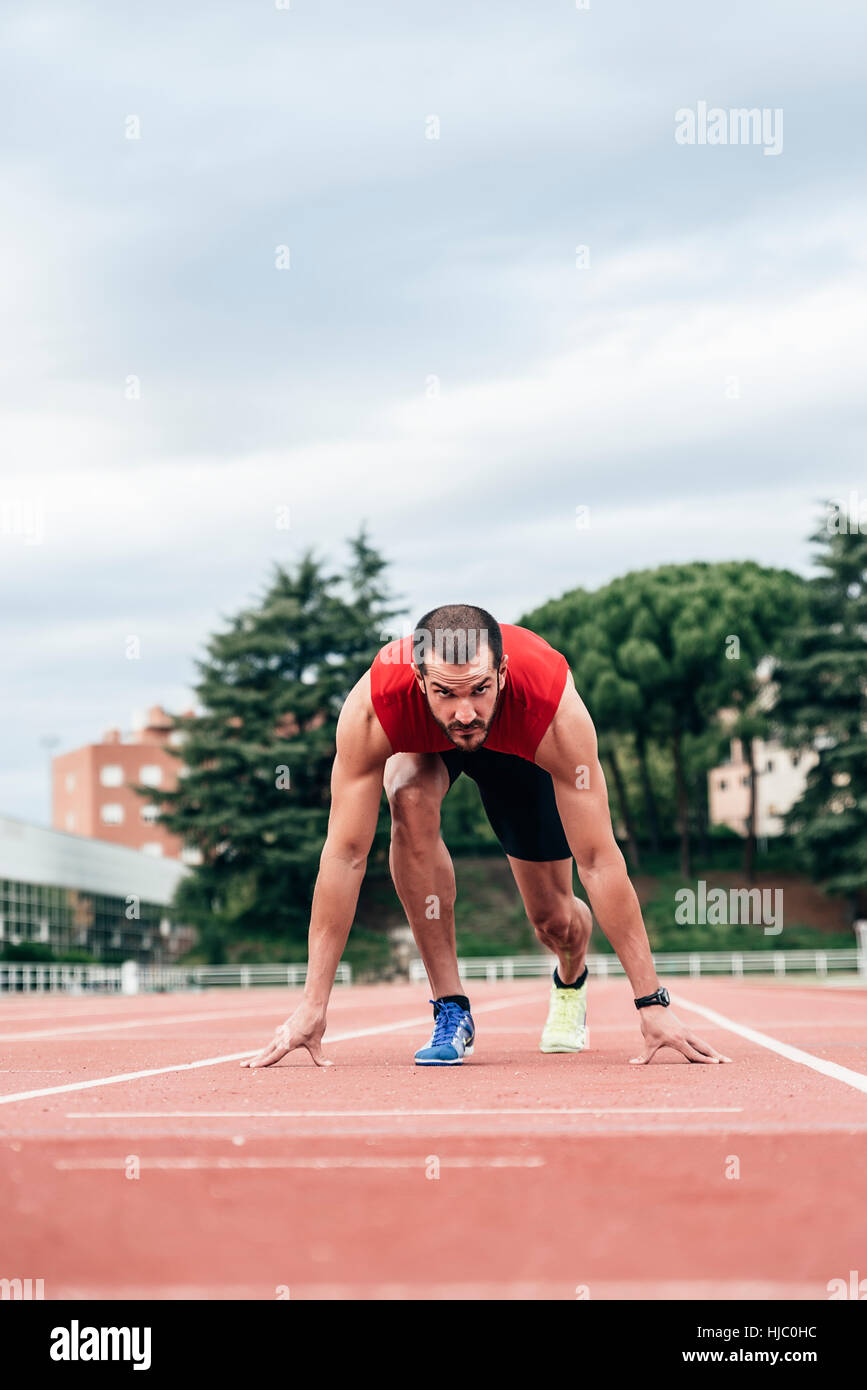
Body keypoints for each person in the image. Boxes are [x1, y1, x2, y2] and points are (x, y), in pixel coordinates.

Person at [242, 604, 730, 1069]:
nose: (465, 712)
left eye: (477, 689)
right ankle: (451, 1009)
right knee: (407, 796)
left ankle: (569, 977)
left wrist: (652, 1003)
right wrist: (312, 1005)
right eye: (446, 693)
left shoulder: (553, 708)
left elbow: (600, 860)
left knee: (554, 920)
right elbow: (346, 855)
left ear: (501, 673)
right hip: (427, 747)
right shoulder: (374, 707)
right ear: (419, 681)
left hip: (520, 749)